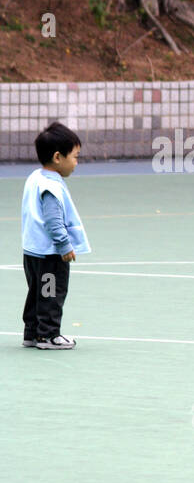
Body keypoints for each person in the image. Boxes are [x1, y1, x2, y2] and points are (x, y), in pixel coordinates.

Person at [21, 122, 91, 350]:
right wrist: (64, 245)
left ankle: (32, 333)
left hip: (32, 252)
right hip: (50, 255)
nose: (77, 163)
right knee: (51, 294)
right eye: (75, 156)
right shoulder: (51, 186)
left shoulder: (35, 177)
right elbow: (53, 221)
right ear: (58, 157)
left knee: (37, 293)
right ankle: (48, 335)